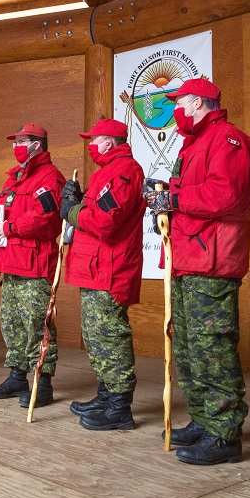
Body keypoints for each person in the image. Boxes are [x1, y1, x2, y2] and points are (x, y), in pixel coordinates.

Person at [143, 77, 250, 465]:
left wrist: (173, 198)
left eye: (180, 102)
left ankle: (224, 434)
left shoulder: (228, 139)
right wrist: (162, 198)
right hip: (188, 260)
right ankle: (204, 420)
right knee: (190, 349)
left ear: (198, 103)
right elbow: (188, 197)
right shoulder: (193, 143)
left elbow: (226, 195)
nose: (176, 109)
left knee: (212, 349)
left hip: (212, 262)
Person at [60, 119, 146, 430]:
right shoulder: (107, 172)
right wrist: (79, 198)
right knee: (97, 337)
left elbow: (104, 222)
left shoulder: (123, 172)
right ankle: (107, 395)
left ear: (109, 143)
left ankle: (120, 407)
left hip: (110, 269)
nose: (91, 146)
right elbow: (98, 211)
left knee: (110, 337)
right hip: (96, 268)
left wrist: (71, 209)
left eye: (94, 140)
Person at [0, 123, 66, 408]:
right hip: (9, 262)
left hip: (35, 264)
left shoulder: (50, 178)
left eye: (20, 142)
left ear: (36, 144)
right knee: (12, 324)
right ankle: (17, 376)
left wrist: (9, 227)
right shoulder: (14, 178)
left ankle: (43, 383)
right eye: (15, 142)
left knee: (37, 325)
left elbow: (45, 219)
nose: (16, 147)